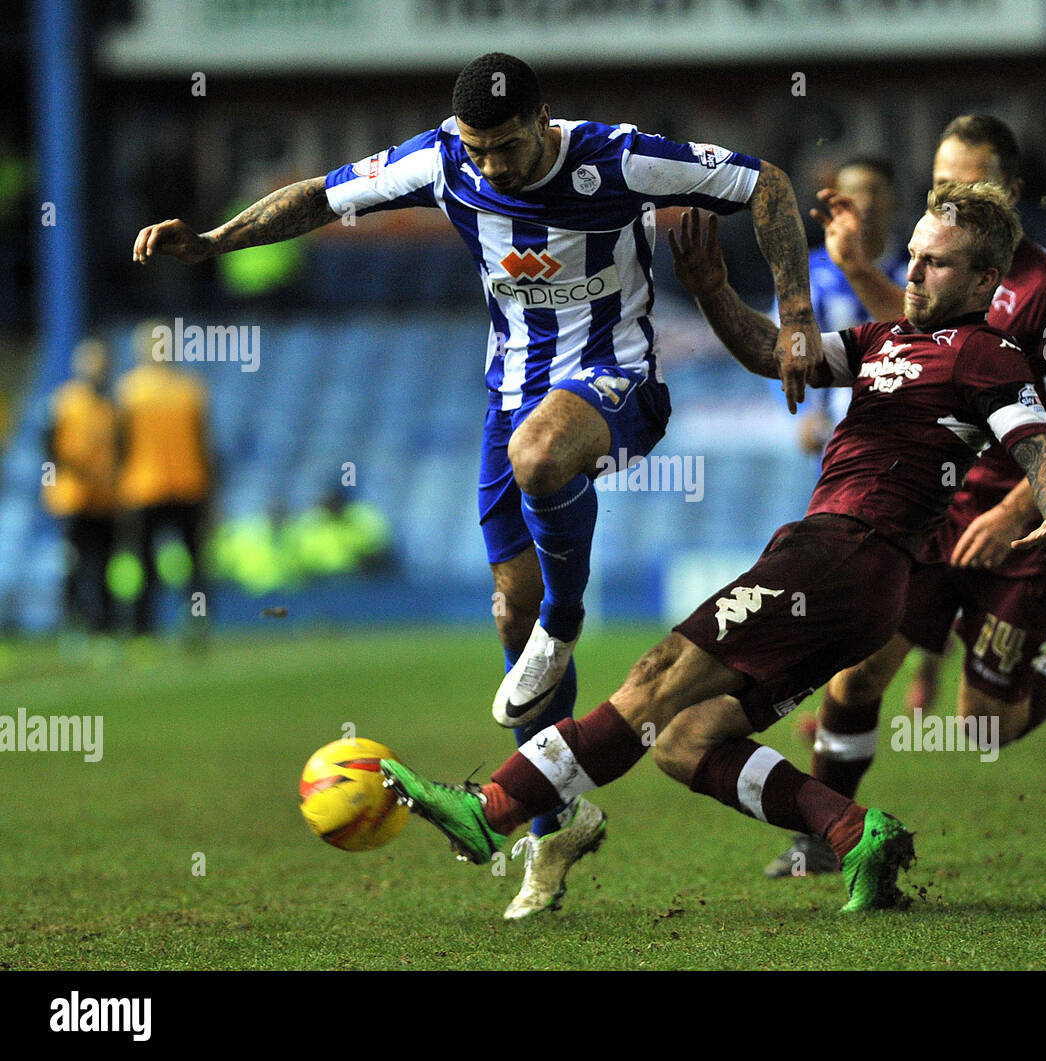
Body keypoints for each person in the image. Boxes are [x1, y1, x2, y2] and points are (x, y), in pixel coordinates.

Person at [131, 53, 819, 920]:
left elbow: (768, 183)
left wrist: (795, 316)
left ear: (542, 119)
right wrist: (214, 241)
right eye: (476, 147)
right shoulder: (443, 160)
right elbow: (318, 194)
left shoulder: (621, 158)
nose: (488, 164)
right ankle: (557, 821)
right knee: (508, 608)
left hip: (620, 381)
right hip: (510, 396)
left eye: (504, 146)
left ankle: (566, 624)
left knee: (542, 464)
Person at [378, 182, 1046, 915]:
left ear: (982, 281)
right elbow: (772, 352)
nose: (910, 272)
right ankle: (856, 832)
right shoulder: (885, 341)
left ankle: (491, 808)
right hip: (859, 582)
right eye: (911, 256)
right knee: (686, 737)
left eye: (936, 264)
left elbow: (1037, 443)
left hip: (846, 550)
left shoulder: (986, 355)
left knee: (656, 679)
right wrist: (716, 290)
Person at [766, 115, 1046, 879]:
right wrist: (859, 267)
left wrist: (1012, 511)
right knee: (858, 670)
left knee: (982, 727)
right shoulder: (945, 266)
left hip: (1018, 519)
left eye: (971, 183)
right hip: (936, 505)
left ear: (1012, 194)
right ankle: (822, 835)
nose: (951, 197)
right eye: (940, 184)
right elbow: (914, 326)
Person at [774, 156, 908, 461]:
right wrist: (805, 414)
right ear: (834, 202)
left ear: (892, 198)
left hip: (907, 427)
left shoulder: (917, 266)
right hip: (839, 438)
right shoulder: (808, 273)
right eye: (853, 191)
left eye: (874, 190)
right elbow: (782, 350)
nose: (865, 201)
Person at [115, 321, 214, 641]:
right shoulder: (186, 387)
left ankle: (157, 625)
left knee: (180, 565)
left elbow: (202, 443)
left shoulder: (131, 390)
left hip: (161, 487)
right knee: (179, 565)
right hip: (163, 487)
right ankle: (159, 623)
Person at [42, 338, 118, 647]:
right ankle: (73, 624)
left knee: (104, 563)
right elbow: (48, 451)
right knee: (73, 563)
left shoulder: (112, 406)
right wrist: (53, 486)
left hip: (105, 499)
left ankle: (104, 624)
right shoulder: (64, 402)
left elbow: (122, 450)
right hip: (72, 497)